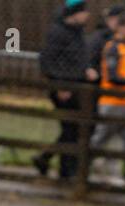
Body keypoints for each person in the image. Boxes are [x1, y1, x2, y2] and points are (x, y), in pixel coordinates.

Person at [35, 0, 99, 182]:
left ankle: (55, 163)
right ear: (75, 13)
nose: (87, 15)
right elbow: (47, 61)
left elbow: (75, 59)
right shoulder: (58, 33)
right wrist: (60, 85)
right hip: (64, 89)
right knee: (71, 128)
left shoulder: (77, 33)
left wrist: (86, 69)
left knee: (75, 129)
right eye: (84, 12)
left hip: (78, 88)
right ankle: (63, 168)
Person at [89, 13, 125, 185]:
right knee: (99, 141)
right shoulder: (113, 48)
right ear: (121, 28)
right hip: (112, 103)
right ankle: (81, 169)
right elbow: (113, 76)